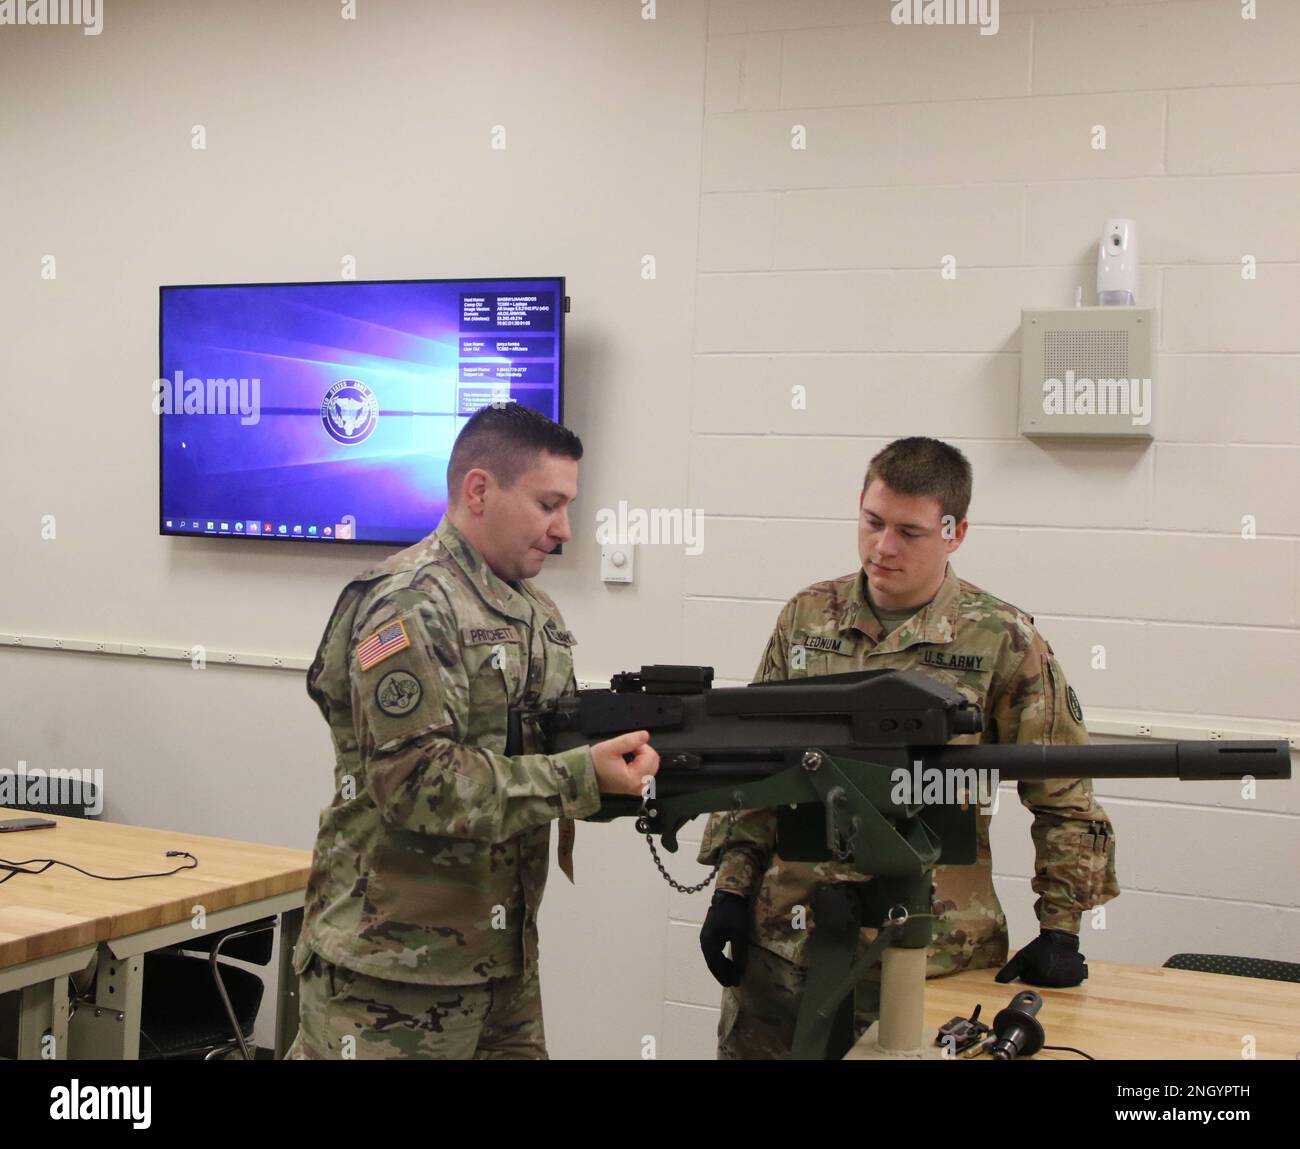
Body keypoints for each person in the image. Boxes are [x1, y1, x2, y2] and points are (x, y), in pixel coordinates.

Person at [697, 436, 1117, 1059]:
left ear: (955, 532)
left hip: (930, 955)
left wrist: (1061, 930)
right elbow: (757, 764)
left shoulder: (1003, 638)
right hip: (789, 945)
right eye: (872, 522)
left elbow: (1062, 791)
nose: (882, 547)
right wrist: (731, 888)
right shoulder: (808, 617)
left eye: (909, 532)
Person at [286, 403, 658, 1059]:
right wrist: (581, 776)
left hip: (500, 963)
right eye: (549, 503)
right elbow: (416, 781)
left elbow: (544, 755)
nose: (564, 529)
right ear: (480, 489)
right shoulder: (408, 602)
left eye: (567, 505)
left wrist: (651, 772)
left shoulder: (531, 609)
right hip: (390, 976)